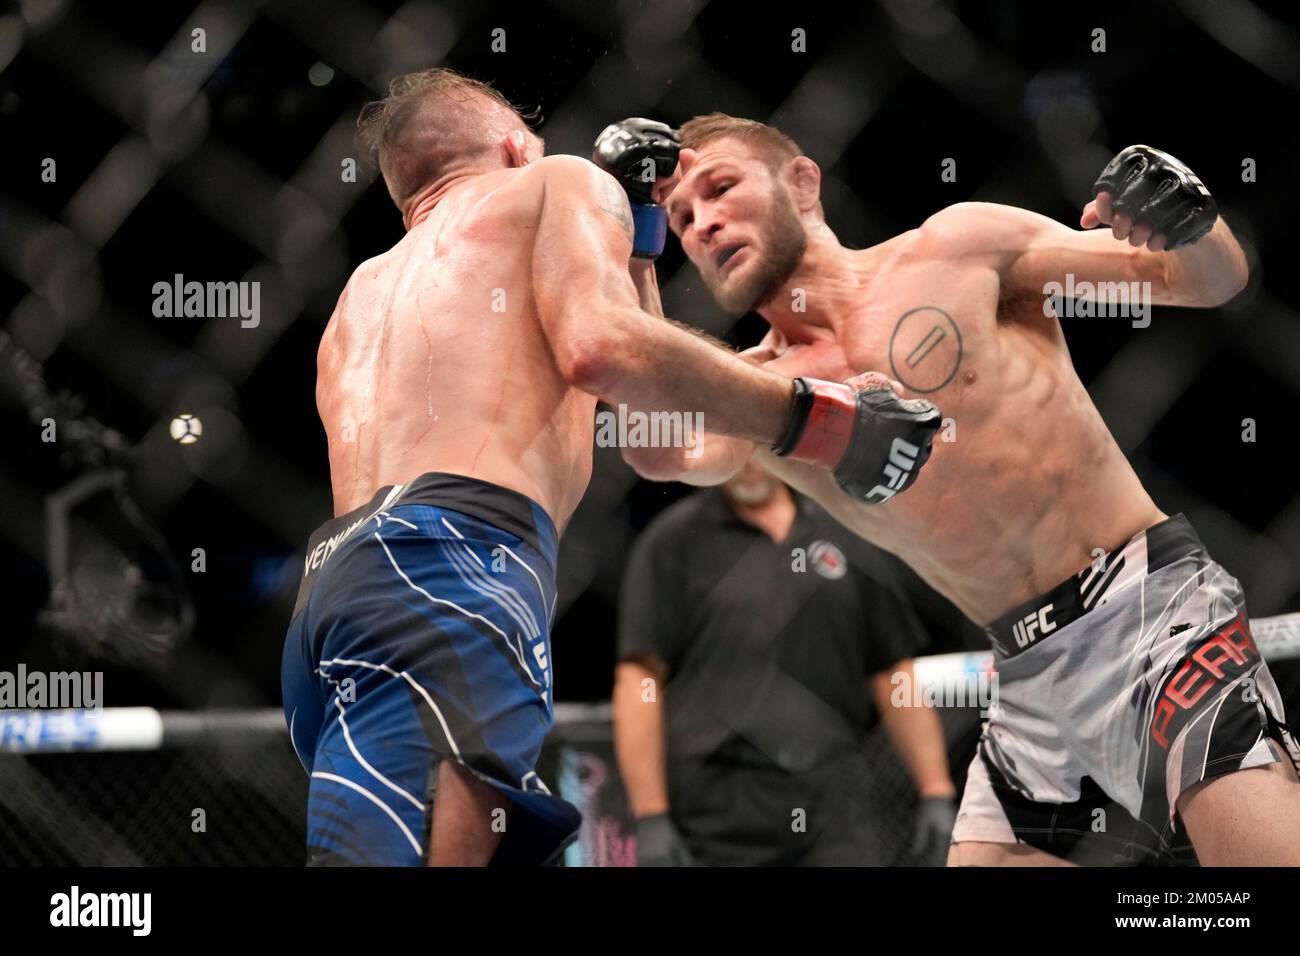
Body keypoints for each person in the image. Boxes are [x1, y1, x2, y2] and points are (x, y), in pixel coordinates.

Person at [277, 72, 939, 867]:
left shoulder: (359, 294)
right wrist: (819, 418)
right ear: (518, 146)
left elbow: (652, 423)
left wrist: (641, 240)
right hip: (452, 569)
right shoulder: (556, 181)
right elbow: (603, 349)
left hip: (332, 593)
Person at [616, 113, 1300, 865]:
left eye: (720, 189)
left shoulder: (959, 248)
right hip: (1027, 673)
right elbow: (660, 444)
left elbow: (1206, 280)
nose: (704, 222)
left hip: (1149, 613)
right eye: (679, 218)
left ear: (802, 183)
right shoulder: (763, 393)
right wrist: (633, 237)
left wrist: (1186, 221)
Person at [613, 460, 957, 866]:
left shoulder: (844, 531)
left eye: (758, 447)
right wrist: (650, 813)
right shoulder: (674, 541)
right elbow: (639, 676)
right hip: (719, 800)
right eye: (735, 450)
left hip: (834, 796)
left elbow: (893, 670)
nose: (748, 465)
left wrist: (936, 788)